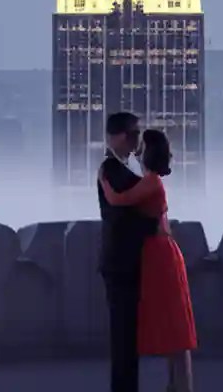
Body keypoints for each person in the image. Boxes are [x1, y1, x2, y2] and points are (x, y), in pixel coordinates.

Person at [100, 129, 198, 392]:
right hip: (159, 254)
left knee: (174, 327)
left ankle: (182, 386)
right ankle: (176, 385)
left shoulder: (151, 182)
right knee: (171, 325)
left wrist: (103, 180)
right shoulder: (151, 181)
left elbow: (117, 200)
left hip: (161, 256)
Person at [99, 112, 160, 392]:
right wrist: (152, 224)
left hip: (128, 263)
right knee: (124, 339)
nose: (138, 139)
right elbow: (122, 215)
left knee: (129, 339)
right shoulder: (111, 169)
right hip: (121, 264)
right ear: (120, 136)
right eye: (134, 134)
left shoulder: (123, 168)